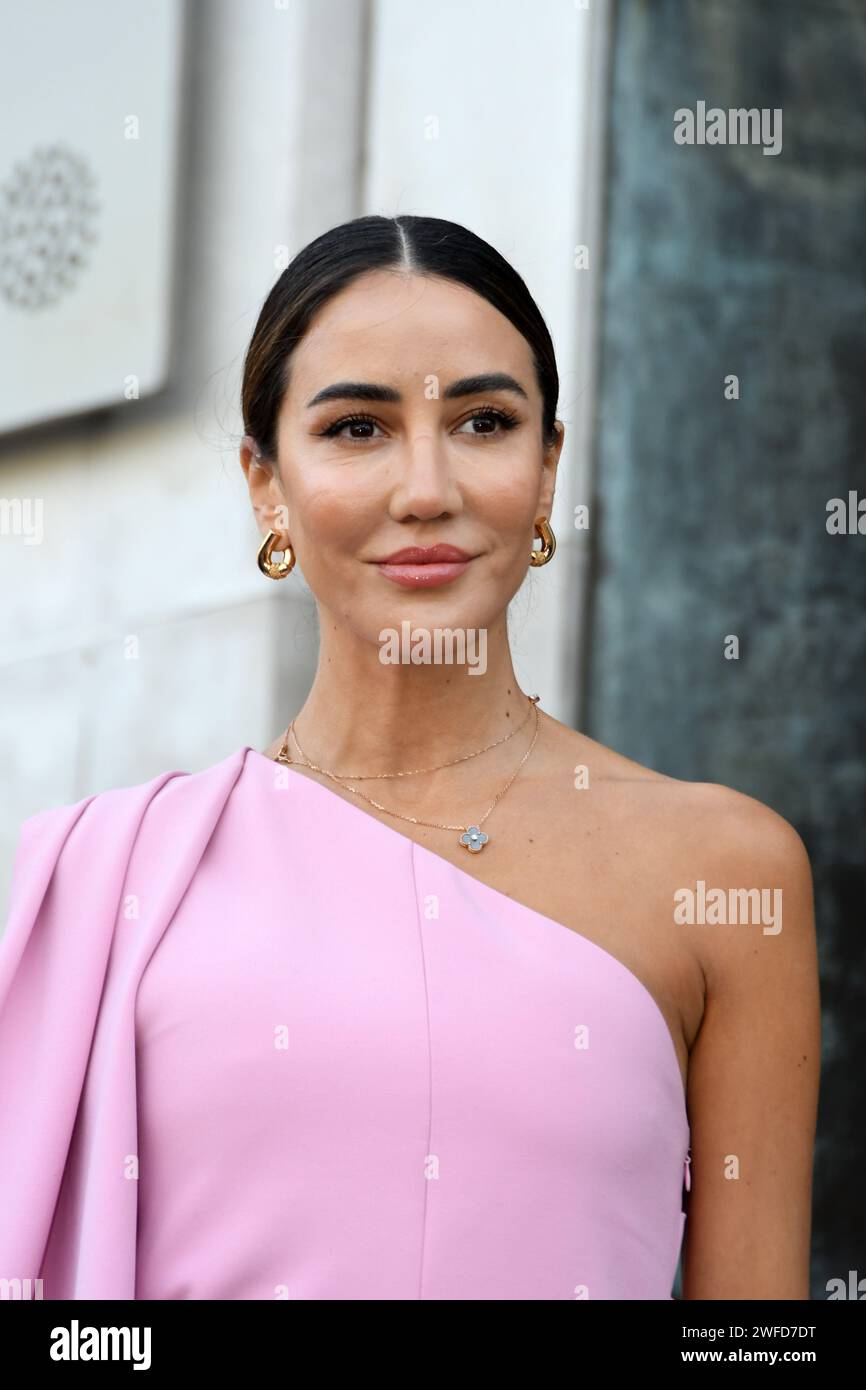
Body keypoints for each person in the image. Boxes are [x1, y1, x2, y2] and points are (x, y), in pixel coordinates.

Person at [0, 214, 820, 1301]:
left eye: (483, 420)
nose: (425, 488)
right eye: (355, 429)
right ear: (264, 482)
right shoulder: (105, 883)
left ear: (545, 468)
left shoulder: (724, 869)